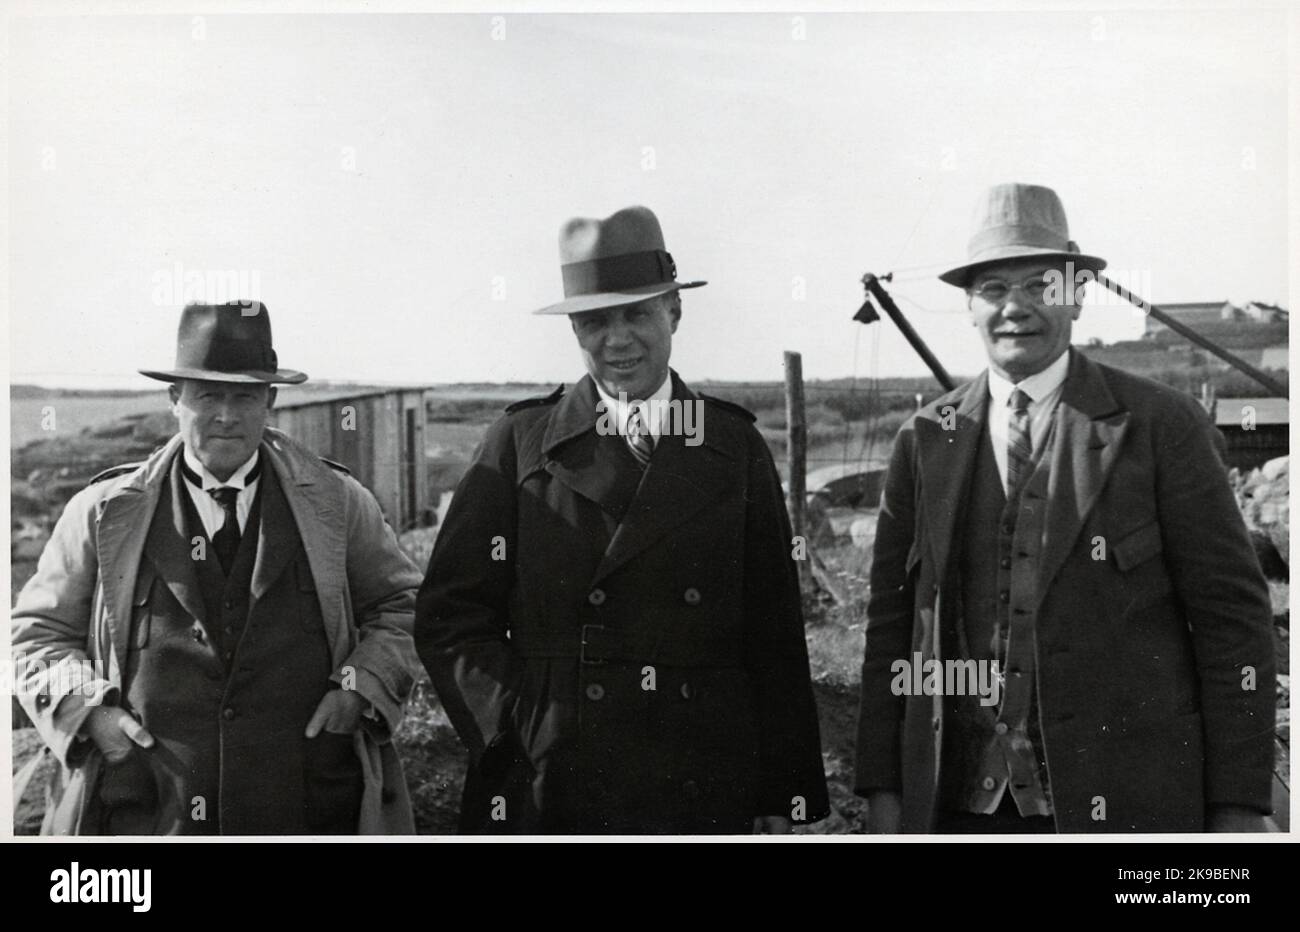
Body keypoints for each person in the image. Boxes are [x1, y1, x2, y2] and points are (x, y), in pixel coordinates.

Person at [854, 183, 1277, 833]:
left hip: (1124, 808)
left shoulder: (1162, 427)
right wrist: (885, 796)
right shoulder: (924, 439)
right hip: (957, 811)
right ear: (968, 306)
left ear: (1077, 296)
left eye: (1041, 286)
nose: (1015, 308)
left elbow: (1233, 625)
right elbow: (891, 633)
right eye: (994, 289)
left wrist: (1239, 807)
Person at [417, 205, 829, 833]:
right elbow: (451, 617)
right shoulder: (521, 442)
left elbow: (774, 632)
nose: (617, 339)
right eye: (594, 321)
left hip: (703, 777)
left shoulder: (733, 445)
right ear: (575, 331)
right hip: (552, 779)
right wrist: (518, 725)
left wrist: (783, 791)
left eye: (637, 312)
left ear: (674, 311)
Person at [12, 301, 422, 835]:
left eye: (245, 396)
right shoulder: (103, 512)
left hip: (306, 809)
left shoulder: (337, 503)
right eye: (208, 395)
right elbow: (37, 634)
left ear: (270, 400)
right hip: (151, 813)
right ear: (174, 399)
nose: (226, 415)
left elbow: (403, 608)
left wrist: (358, 688)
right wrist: (92, 715)